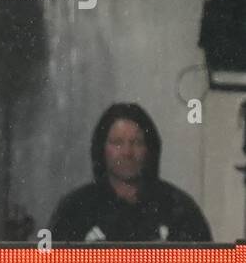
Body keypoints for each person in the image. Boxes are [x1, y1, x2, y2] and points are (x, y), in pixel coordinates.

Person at [49, 103, 212, 242]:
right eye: (117, 143)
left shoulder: (178, 208)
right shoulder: (75, 209)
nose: (127, 152)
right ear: (101, 149)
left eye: (137, 143)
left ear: (150, 149)